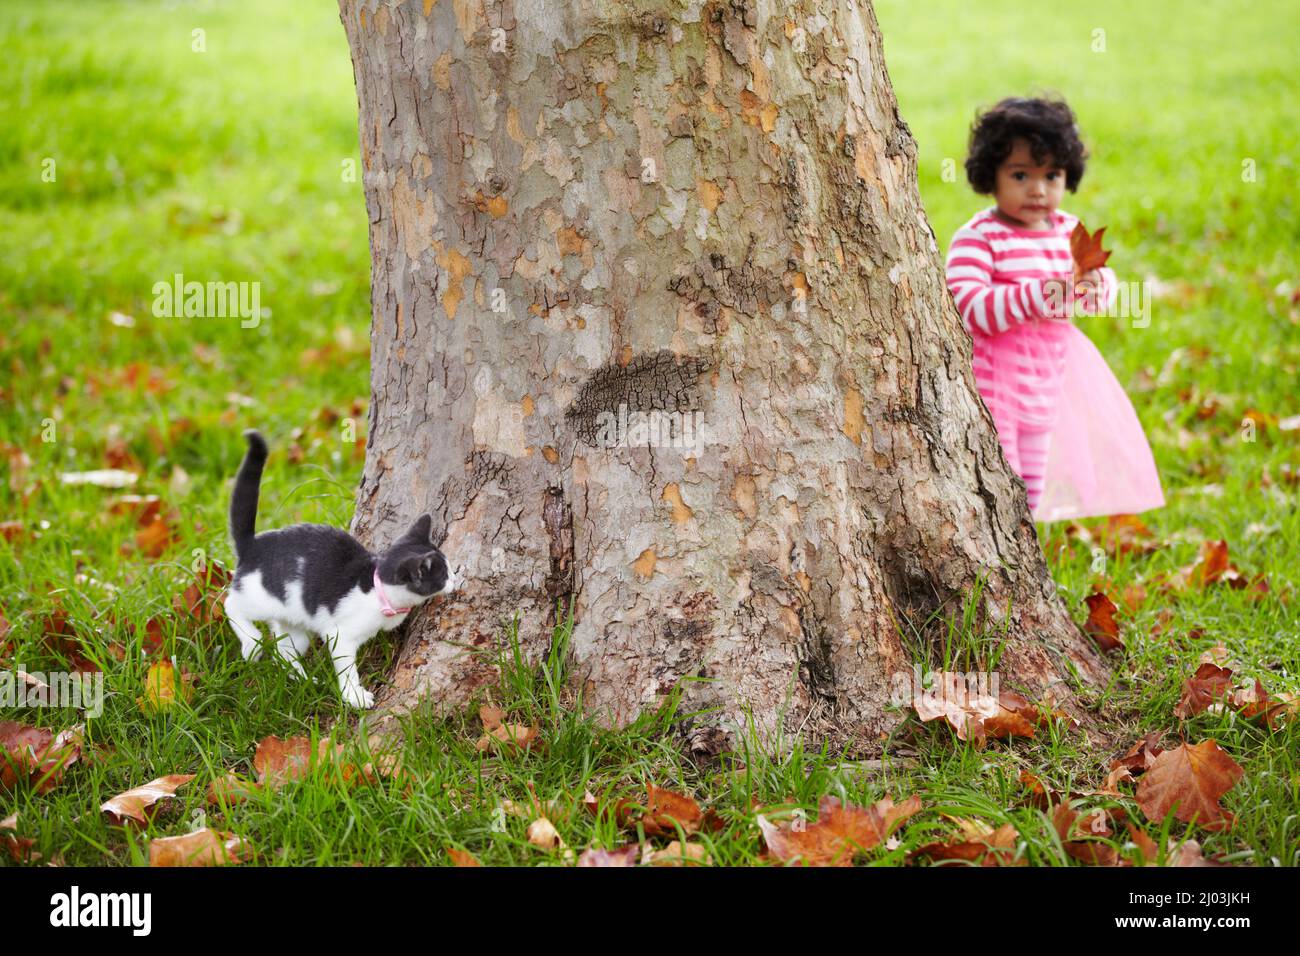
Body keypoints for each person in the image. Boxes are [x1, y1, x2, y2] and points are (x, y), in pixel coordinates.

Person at [944, 96, 1164, 522]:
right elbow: (968, 305)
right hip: (993, 380)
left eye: (1052, 176)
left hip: (1050, 376)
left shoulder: (1067, 232)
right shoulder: (980, 236)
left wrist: (1096, 286)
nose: (1038, 190)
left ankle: (1023, 546)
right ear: (991, 175)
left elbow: (1097, 285)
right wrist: (1035, 295)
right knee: (997, 471)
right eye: (1021, 175)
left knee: (1033, 476)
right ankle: (994, 539)